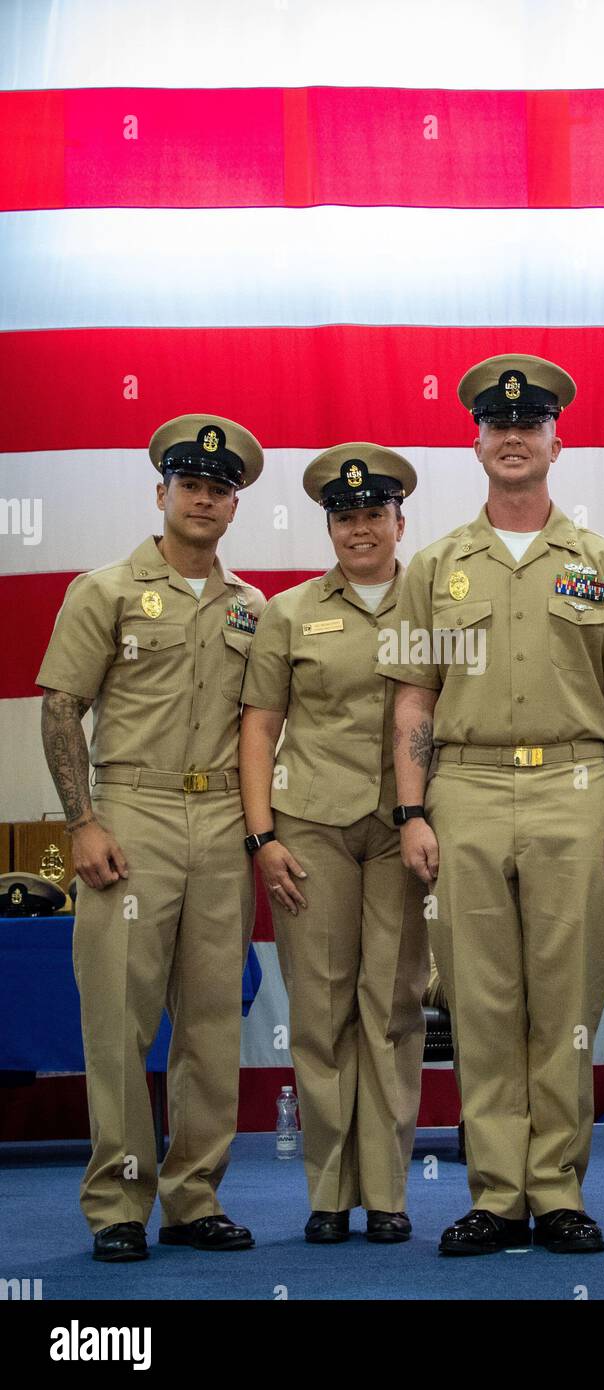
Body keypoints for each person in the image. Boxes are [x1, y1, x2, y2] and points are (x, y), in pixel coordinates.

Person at [376, 354, 604, 1255]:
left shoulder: (601, 561)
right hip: (462, 791)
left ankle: (559, 1192)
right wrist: (413, 812)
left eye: (528, 424)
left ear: (554, 439)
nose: (512, 436)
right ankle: (496, 1195)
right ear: (475, 440)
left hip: (575, 792)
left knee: (566, 998)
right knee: (481, 1001)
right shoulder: (433, 566)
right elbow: (413, 698)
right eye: (497, 426)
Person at [37, 414, 265, 1262]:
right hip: (129, 815)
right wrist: (83, 822)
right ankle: (118, 1203)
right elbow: (62, 707)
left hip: (222, 821)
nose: (203, 499)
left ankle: (194, 1196)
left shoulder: (252, 609)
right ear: (161, 493)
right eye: (190, 485)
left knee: (211, 1021)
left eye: (219, 490)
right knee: (119, 1021)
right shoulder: (102, 591)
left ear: (234, 507)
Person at [239, 442, 428, 1245]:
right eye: (345, 516)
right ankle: (326, 1192)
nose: (359, 529)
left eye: (372, 515)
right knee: (319, 1012)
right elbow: (259, 727)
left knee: (390, 1009)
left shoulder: (435, 603)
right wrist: (261, 836)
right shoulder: (287, 611)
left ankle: (385, 1192)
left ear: (398, 521)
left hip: (401, 828)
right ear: (330, 525)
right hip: (310, 824)